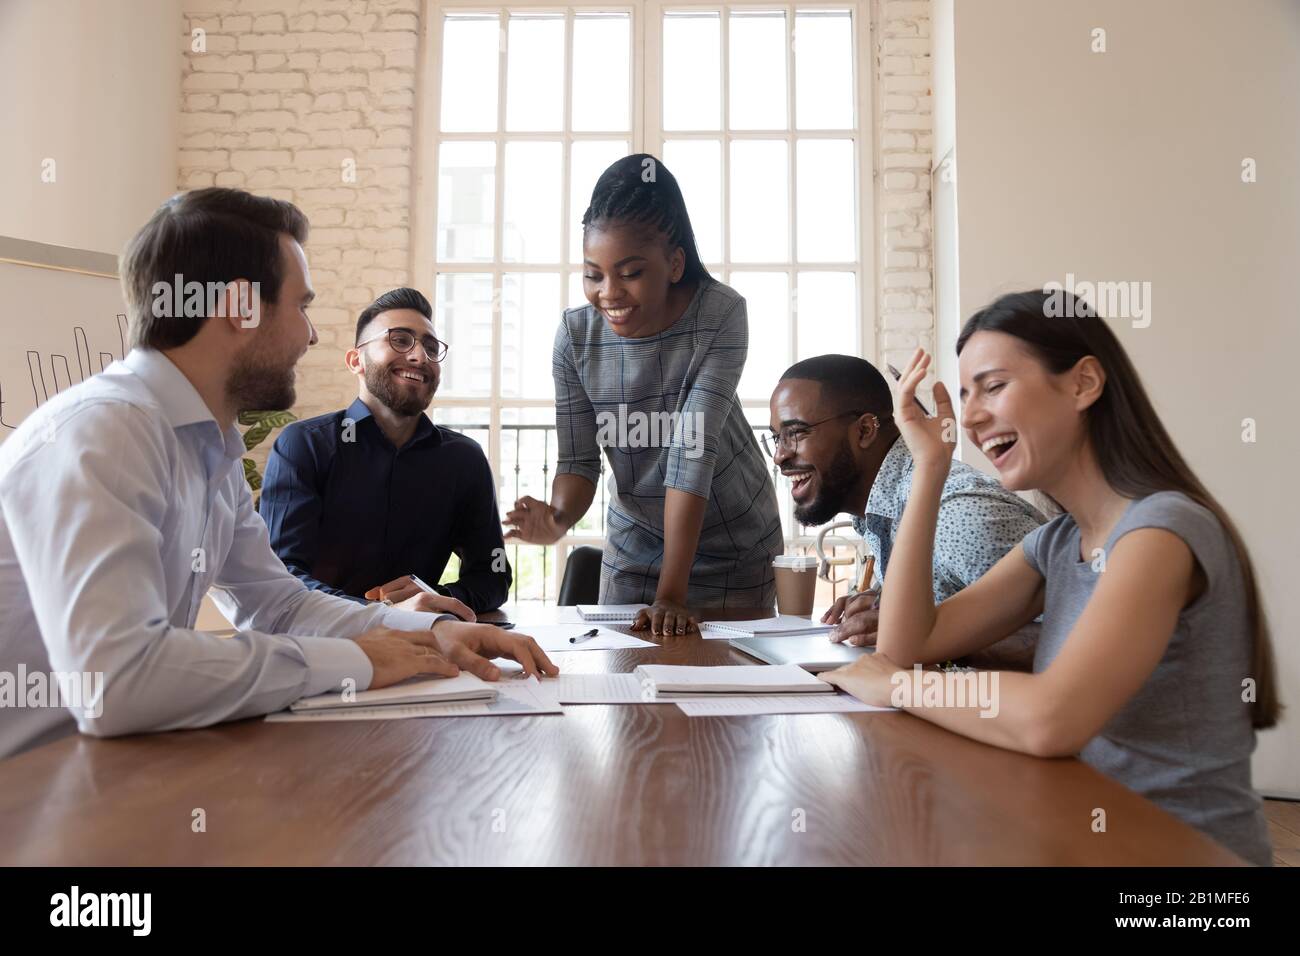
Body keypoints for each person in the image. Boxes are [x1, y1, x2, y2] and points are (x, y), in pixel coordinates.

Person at [0, 188, 555, 761]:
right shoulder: (107, 432)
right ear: (241, 308)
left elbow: (279, 604)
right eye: (302, 306)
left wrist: (430, 632)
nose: (310, 336)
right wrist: (362, 660)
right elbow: (117, 682)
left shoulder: (207, 447)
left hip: (103, 775)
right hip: (29, 799)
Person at [821, 291, 1279, 865]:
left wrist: (895, 686)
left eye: (993, 385)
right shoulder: (1057, 544)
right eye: (964, 394)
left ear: (1084, 383)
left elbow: (1051, 718)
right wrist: (931, 467)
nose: (971, 415)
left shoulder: (1162, 530)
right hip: (1088, 839)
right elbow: (905, 645)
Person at [504, 154, 782, 637]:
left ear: (675, 263)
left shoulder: (719, 315)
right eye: (593, 275)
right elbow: (577, 461)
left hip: (734, 545)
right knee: (631, 695)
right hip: (635, 546)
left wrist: (671, 595)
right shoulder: (575, 336)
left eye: (630, 272)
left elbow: (690, 453)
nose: (609, 292)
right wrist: (558, 519)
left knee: (728, 693)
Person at [769, 354, 1044, 659]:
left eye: (795, 433)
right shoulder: (880, 511)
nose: (779, 456)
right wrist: (885, 607)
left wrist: (917, 631)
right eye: (776, 437)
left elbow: (1086, 636)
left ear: (864, 431)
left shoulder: (955, 515)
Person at [260, 287, 510, 617]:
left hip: (428, 647)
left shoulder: (465, 460)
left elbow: (492, 577)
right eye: (400, 340)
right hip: (324, 648)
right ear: (356, 361)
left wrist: (433, 598)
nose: (420, 356)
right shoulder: (304, 446)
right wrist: (380, 617)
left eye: (430, 347)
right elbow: (282, 577)